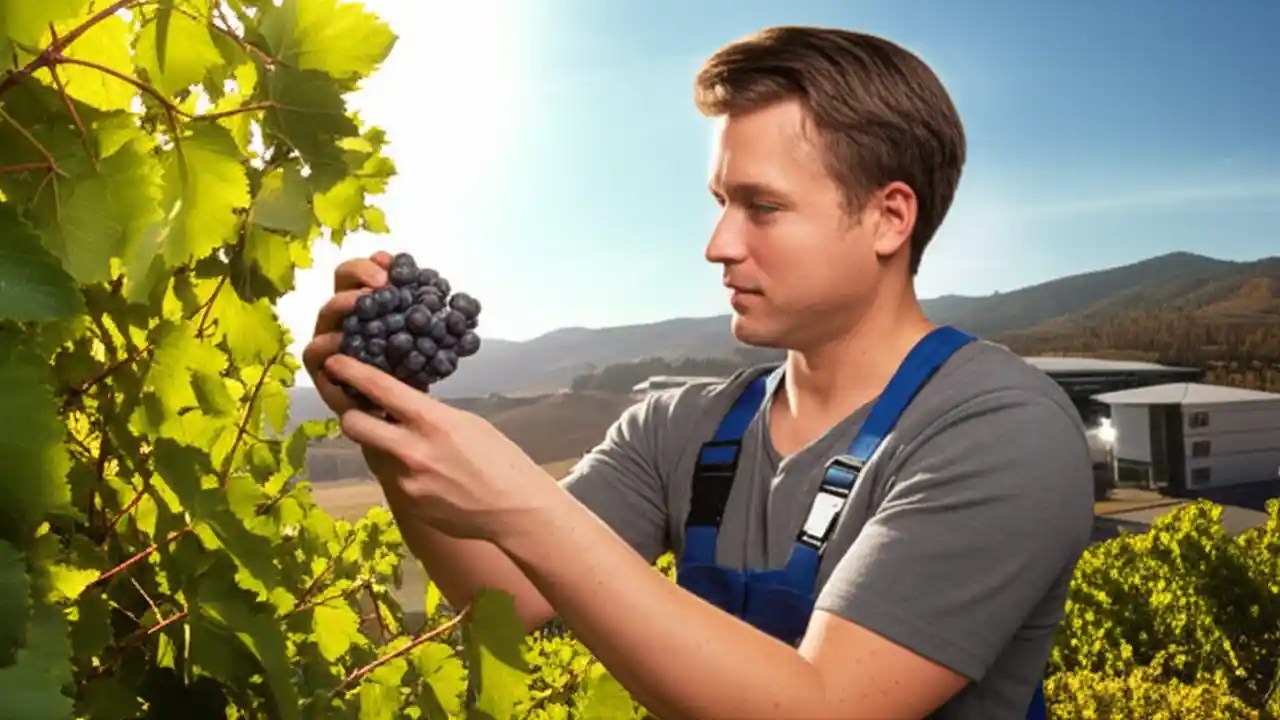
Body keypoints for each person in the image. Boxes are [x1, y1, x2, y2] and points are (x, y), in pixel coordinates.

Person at [304, 25, 1094, 720]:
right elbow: (508, 595)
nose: (717, 243)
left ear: (890, 218)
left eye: (762, 207)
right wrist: (385, 418)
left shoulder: (1001, 431)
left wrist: (523, 503)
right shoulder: (682, 426)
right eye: (720, 201)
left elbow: (826, 708)